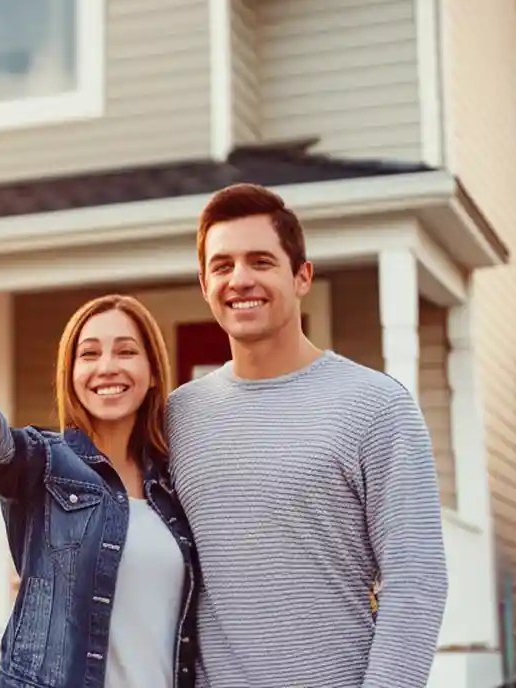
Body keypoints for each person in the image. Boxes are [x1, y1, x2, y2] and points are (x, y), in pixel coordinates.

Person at [165, 183, 448, 687]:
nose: (241, 279)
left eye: (261, 261)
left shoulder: (376, 407)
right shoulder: (179, 415)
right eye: (223, 265)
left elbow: (416, 580)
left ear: (302, 277)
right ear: (205, 285)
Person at [0, 270, 199, 688]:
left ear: (153, 371)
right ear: (71, 373)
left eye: (126, 351)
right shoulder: (47, 463)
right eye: (89, 354)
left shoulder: (173, 488)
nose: (107, 367)